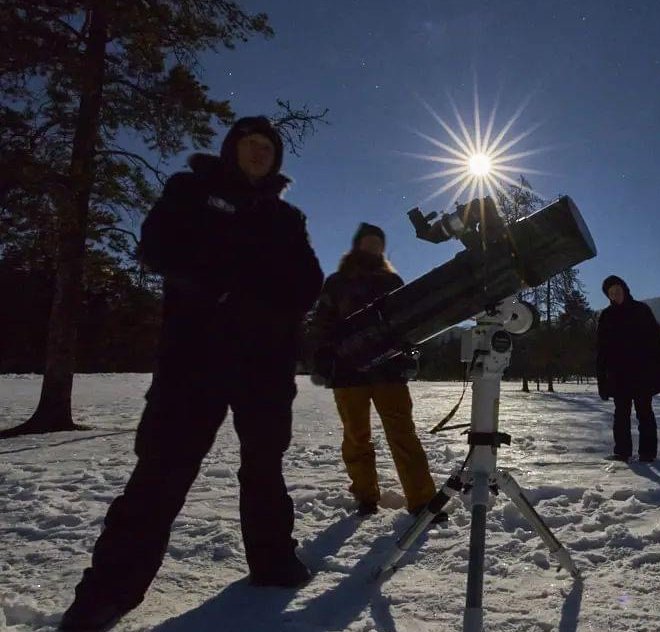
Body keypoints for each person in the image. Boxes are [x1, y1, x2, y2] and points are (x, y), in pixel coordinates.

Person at [61, 116, 325, 631]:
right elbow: (160, 245)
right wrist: (227, 283)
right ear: (231, 149)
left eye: (266, 148)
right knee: (162, 472)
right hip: (193, 360)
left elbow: (307, 282)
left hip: (265, 367)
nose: (257, 154)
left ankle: (273, 561)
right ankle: (105, 594)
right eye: (249, 145)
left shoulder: (287, 218)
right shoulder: (190, 190)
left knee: (265, 468)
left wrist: (263, 300)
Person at [309, 223, 446, 523]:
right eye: (369, 243)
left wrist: (410, 354)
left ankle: (422, 501)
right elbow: (321, 323)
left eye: (378, 244)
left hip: (389, 370)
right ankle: (365, 495)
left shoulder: (392, 281)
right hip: (347, 373)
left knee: (403, 434)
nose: (374, 248)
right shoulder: (337, 282)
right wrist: (322, 358)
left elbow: (409, 321)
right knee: (356, 437)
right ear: (358, 246)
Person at [595, 275, 660, 462]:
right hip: (618, 376)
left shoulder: (642, 310)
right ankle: (622, 452)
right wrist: (602, 380)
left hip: (643, 373)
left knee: (645, 414)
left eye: (617, 291)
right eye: (611, 294)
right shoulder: (606, 316)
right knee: (621, 415)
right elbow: (601, 350)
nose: (615, 295)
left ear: (625, 290)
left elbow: (656, 344)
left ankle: (648, 453)